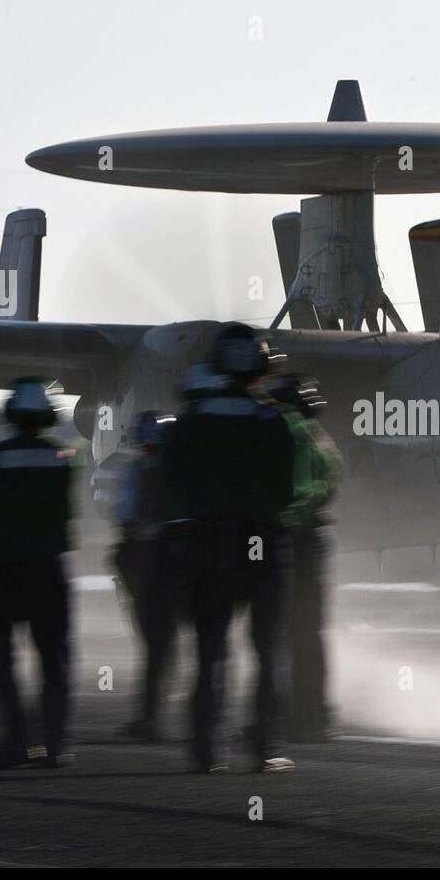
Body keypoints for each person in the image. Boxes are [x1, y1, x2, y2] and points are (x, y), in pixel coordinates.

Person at [162, 324, 296, 774]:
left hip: (205, 542)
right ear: (260, 366)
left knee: (209, 648)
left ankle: (205, 748)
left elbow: (171, 480)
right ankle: (263, 747)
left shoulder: (192, 417)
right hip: (258, 541)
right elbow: (285, 488)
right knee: (265, 646)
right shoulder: (270, 418)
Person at [0, 378, 77, 768]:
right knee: (54, 658)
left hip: (0, 568)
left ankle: (16, 740)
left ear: (10, 415)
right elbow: (65, 510)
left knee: (1, 658)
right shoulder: (63, 457)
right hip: (48, 567)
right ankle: (56, 743)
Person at [265, 373, 343, 743]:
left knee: (283, 631)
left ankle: (292, 716)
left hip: (294, 539)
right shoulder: (321, 439)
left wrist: (278, 522)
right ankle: (316, 715)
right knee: (308, 632)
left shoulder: (293, 434)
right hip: (315, 538)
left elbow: (296, 492)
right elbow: (329, 482)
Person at [113, 410, 174, 740]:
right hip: (173, 561)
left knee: (154, 642)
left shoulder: (136, 470)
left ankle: (150, 716)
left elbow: (124, 517)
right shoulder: (180, 469)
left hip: (146, 561)